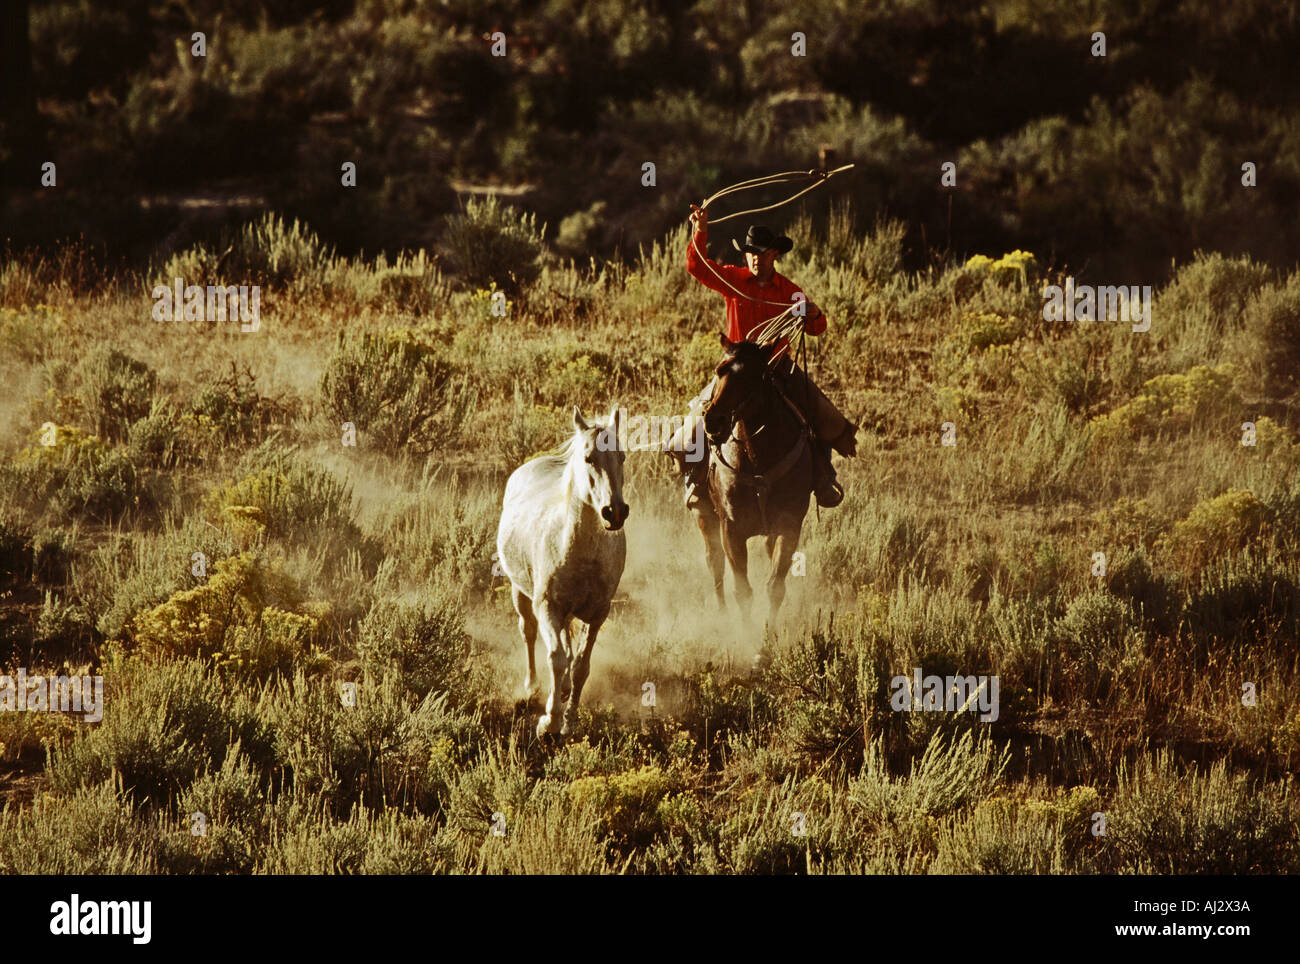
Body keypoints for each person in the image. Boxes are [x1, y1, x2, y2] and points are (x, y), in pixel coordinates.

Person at [665, 204, 857, 509]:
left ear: (774, 255)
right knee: (701, 418)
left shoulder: (789, 291)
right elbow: (697, 267)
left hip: (777, 366)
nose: (754, 257)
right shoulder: (733, 280)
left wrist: (813, 313)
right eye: (750, 252)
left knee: (818, 412)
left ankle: (823, 477)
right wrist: (700, 229)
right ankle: (699, 480)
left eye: (761, 252)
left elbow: (818, 326)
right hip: (738, 368)